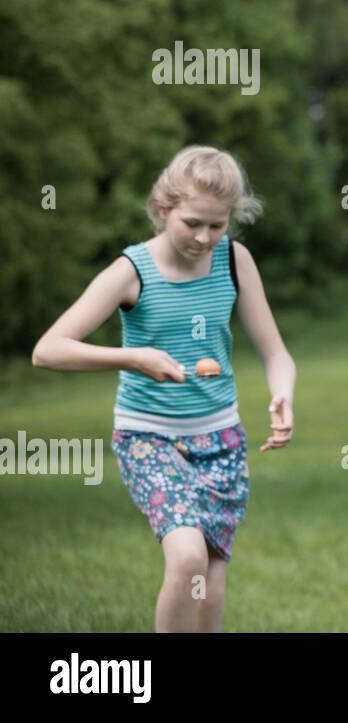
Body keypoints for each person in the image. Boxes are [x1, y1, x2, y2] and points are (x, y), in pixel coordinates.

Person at [32, 145, 296, 631]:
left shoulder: (235, 261)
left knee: (210, 587)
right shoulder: (132, 271)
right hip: (149, 439)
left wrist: (282, 394)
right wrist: (133, 357)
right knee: (187, 557)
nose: (204, 237)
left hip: (222, 441)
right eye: (192, 222)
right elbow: (49, 349)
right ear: (163, 209)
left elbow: (275, 352)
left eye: (218, 226)